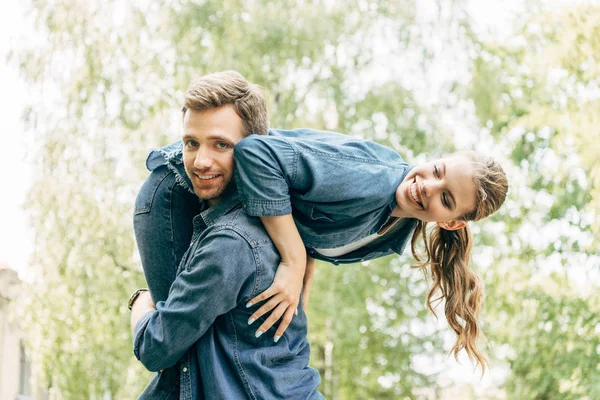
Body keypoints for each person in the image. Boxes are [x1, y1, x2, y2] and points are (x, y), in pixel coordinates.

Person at [130, 71, 323, 399]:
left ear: (254, 151)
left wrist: (140, 301)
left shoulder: (229, 243)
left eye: (221, 144)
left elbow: (156, 347)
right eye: (191, 143)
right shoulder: (278, 223)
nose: (201, 161)